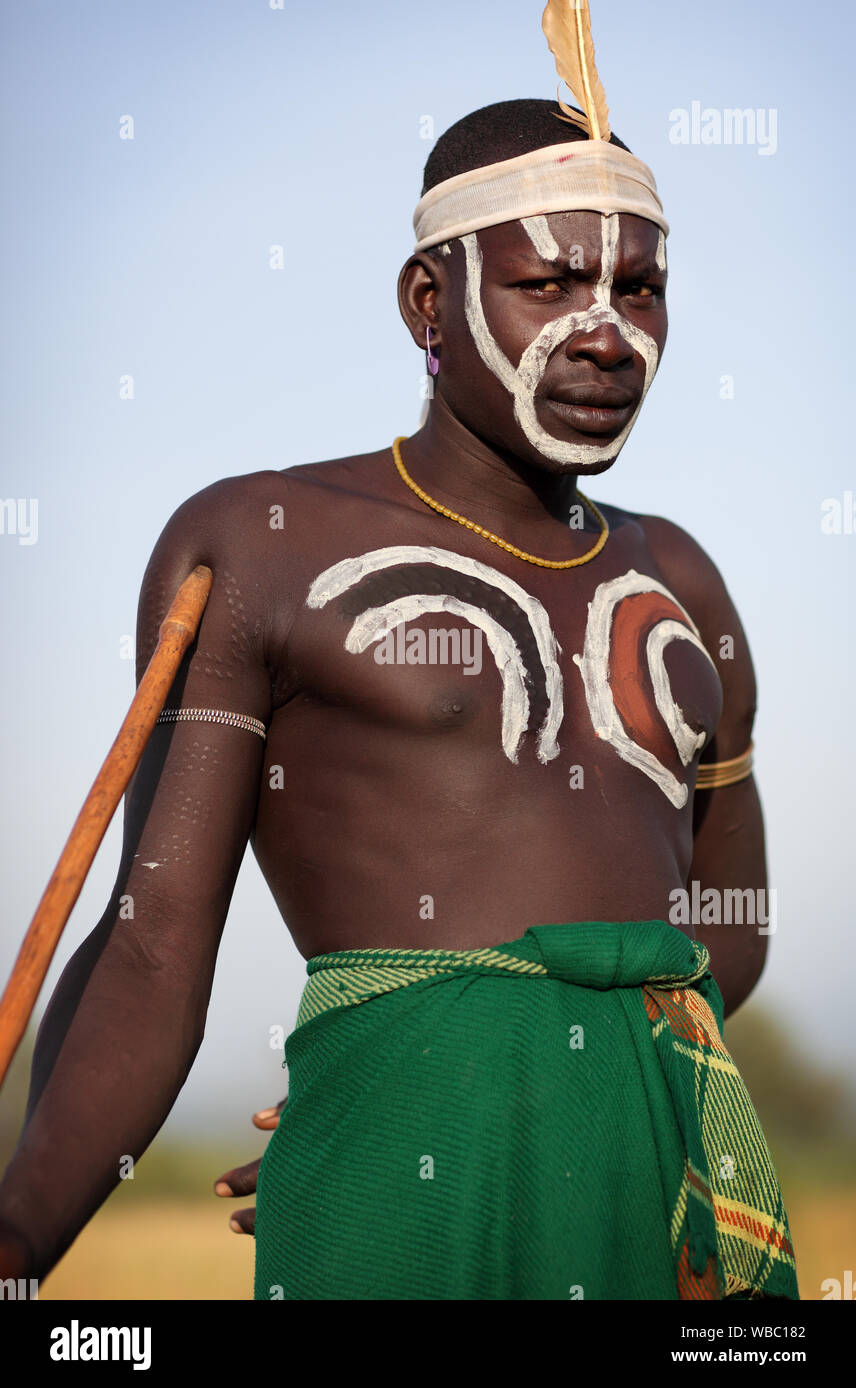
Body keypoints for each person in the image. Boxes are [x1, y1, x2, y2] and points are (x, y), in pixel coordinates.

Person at [0, 5, 798, 1301]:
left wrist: (550, 1072)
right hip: (392, 1187)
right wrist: (22, 1232)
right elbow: (152, 949)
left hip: (653, 1183)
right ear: (428, 299)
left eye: (640, 287)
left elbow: (731, 923)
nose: (606, 334)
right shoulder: (261, 544)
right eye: (549, 283)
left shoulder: (684, 579)